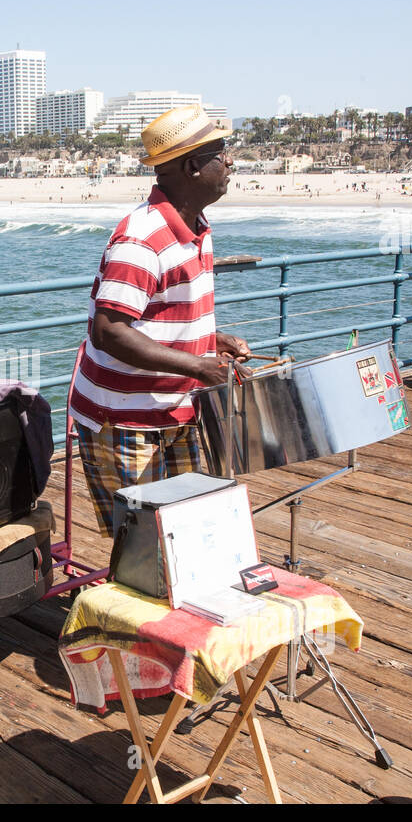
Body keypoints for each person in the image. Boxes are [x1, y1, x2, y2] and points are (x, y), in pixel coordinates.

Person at [69, 105, 251, 537]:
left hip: (174, 410)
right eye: (221, 153)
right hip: (125, 420)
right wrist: (197, 367)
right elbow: (109, 331)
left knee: (183, 534)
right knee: (139, 545)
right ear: (193, 166)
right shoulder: (142, 239)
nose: (230, 163)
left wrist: (211, 340)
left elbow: (161, 315)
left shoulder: (196, 226)